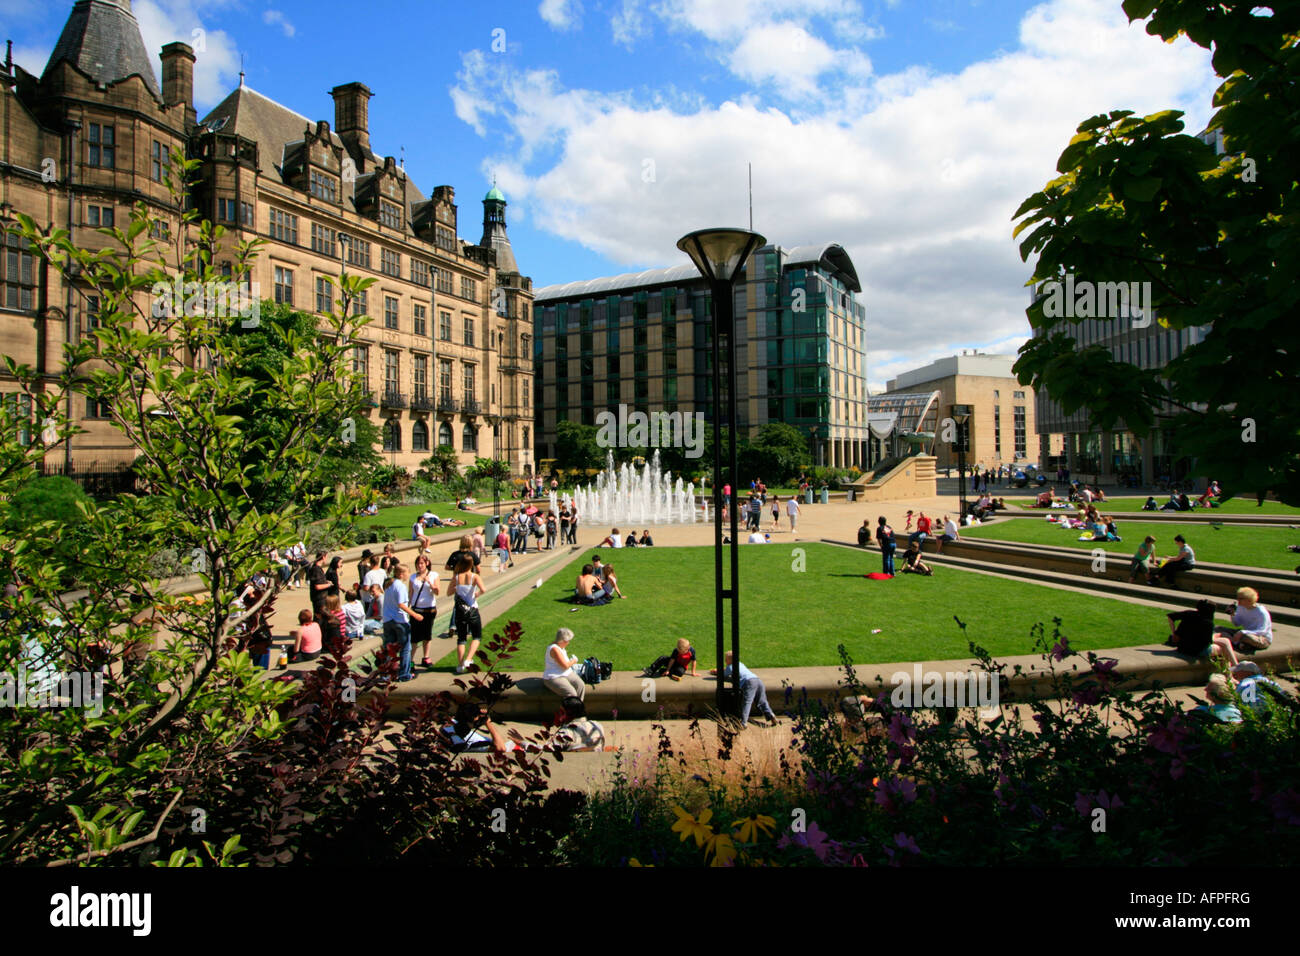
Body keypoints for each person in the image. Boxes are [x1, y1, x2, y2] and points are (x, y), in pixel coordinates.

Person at [710, 651, 778, 729]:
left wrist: (714, 672)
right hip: (757, 680)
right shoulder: (740, 664)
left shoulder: (730, 667)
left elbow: (723, 674)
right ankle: (771, 715)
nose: (725, 661)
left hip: (748, 682)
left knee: (747, 702)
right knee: (762, 701)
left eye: (726, 659)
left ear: (730, 660)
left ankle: (743, 722)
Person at [382, 563, 423, 682]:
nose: (408, 575)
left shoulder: (389, 585)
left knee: (389, 648)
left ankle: (387, 674)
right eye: (407, 573)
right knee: (405, 648)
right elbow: (401, 604)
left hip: (388, 620)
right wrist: (415, 615)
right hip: (399, 621)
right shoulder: (400, 586)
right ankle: (404, 674)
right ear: (401, 574)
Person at [1164, 600, 1236, 663]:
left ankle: (1234, 667)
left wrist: (1173, 633)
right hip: (1196, 651)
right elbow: (1208, 642)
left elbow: (1170, 616)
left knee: (1225, 641)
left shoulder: (1189, 613)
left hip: (1182, 647)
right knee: (1223, 648)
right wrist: (1215, 636)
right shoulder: (1208, 623)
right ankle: (1230, 671)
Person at [451, 556, 485, 673]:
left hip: (460, 611)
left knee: (461, 639)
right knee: (476, 636)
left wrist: (457, 589)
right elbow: (483, 589)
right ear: (471, 565)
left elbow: (448, 592)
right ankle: (468, 659)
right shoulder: (475, 577)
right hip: (472, 610)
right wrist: (477, 594)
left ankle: (460, 665)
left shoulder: (456, 577)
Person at [1215, 587, 1273, 651]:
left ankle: (1236, 643)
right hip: (1244, 634)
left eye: (1241, 599)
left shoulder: (1261, 612)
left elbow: (1262, 631)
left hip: (1262, 638)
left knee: (1247, 637)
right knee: (1218, 628)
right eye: (1238, 598)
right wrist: (1233, 614)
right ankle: (1240, 644)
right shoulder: (1241, 607)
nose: (1238, 601)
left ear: (1249, 599)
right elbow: (1237, 624)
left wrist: (1243, 632)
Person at [409, 554, 440, 668]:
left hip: (429, 609)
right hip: (416, 609)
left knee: (427, 634)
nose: (420, 565)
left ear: (427, 563)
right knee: (414, 636)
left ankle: (426, 657)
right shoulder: (413, 577)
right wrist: (408, 607)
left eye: (422, 563)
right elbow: (410, 592)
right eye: (418, 563)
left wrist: (430, 583)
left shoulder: (434, 575)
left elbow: (437, 591)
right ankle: (411, 659)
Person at [543, 628, 585, 701]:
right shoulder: (554, 649)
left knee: (581, 685)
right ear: (563, 641)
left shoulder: (559, 646)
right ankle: (570, 710)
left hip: (565, 673)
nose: (568, 643)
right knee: (572, 694)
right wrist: (574, 660)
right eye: (568, 641)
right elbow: (565, 666)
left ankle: (578, 707)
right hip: (554, 676)